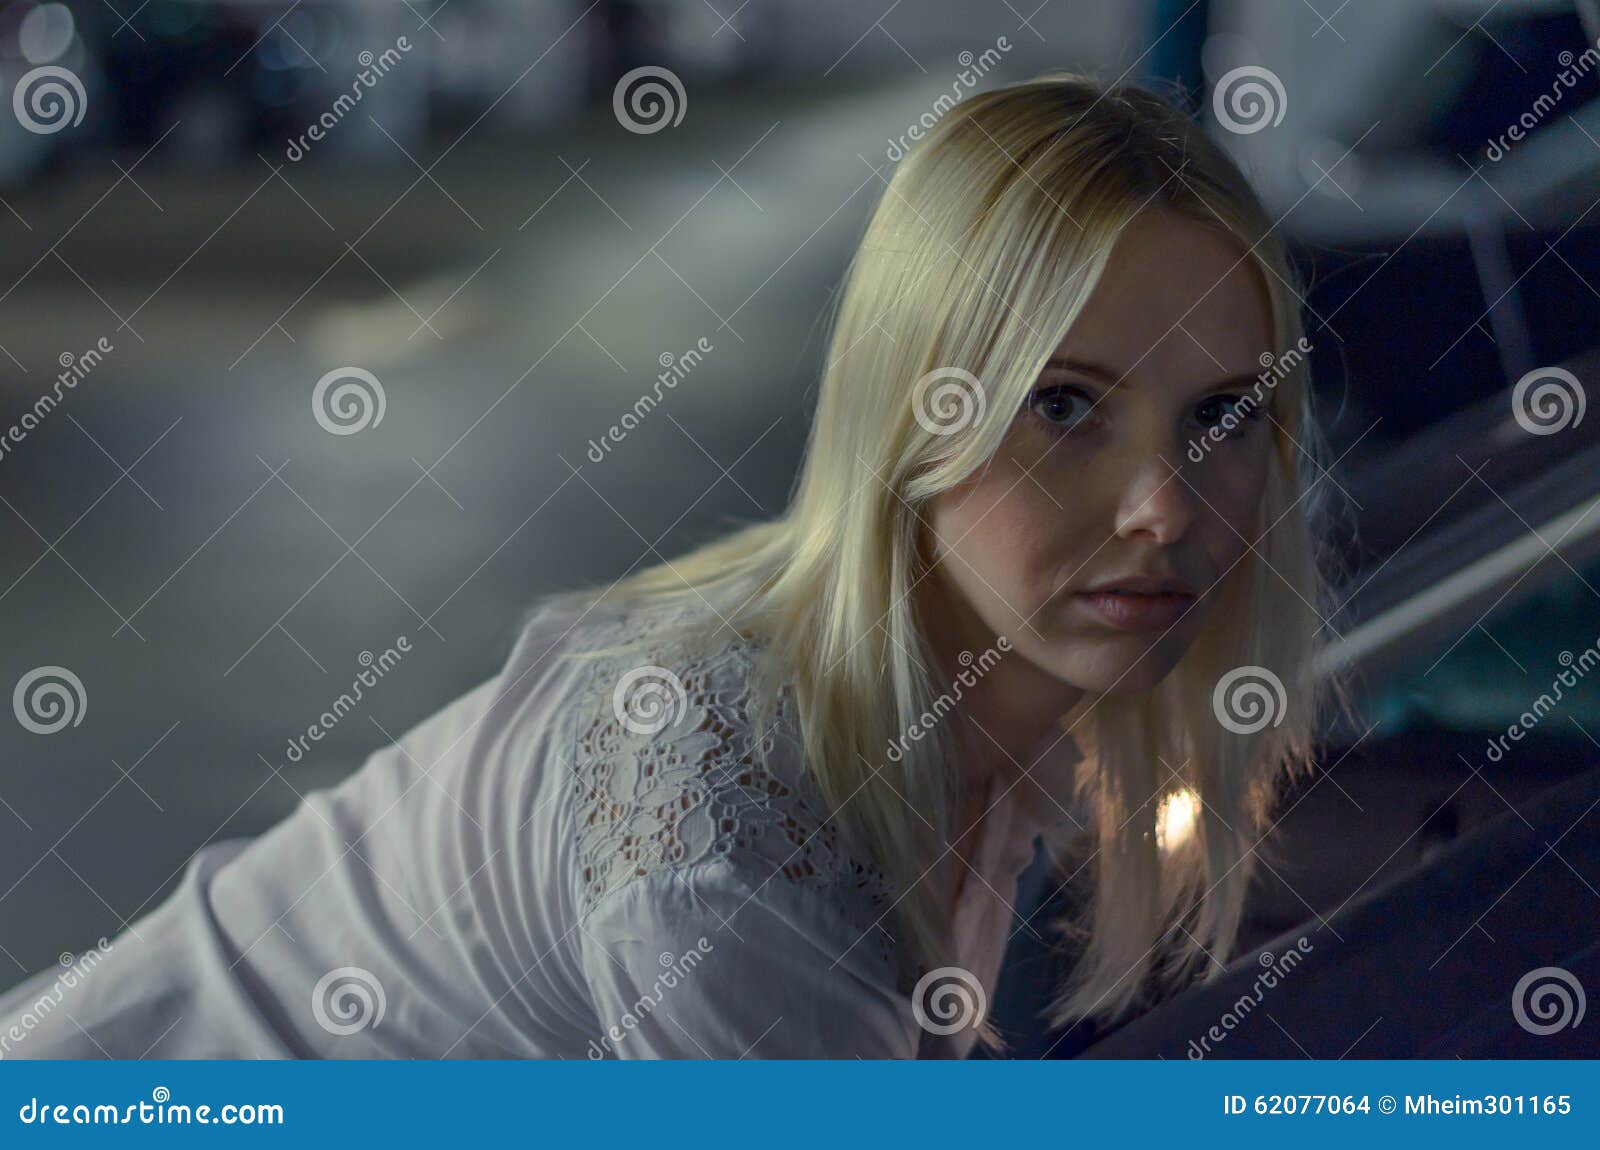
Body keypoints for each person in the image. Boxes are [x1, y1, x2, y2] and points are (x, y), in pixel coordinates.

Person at [0, 73, 1339, 1060]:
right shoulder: (722, 815)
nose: (1166, 506)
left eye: (1222, 415)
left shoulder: (978, 718)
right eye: (1065, 405)